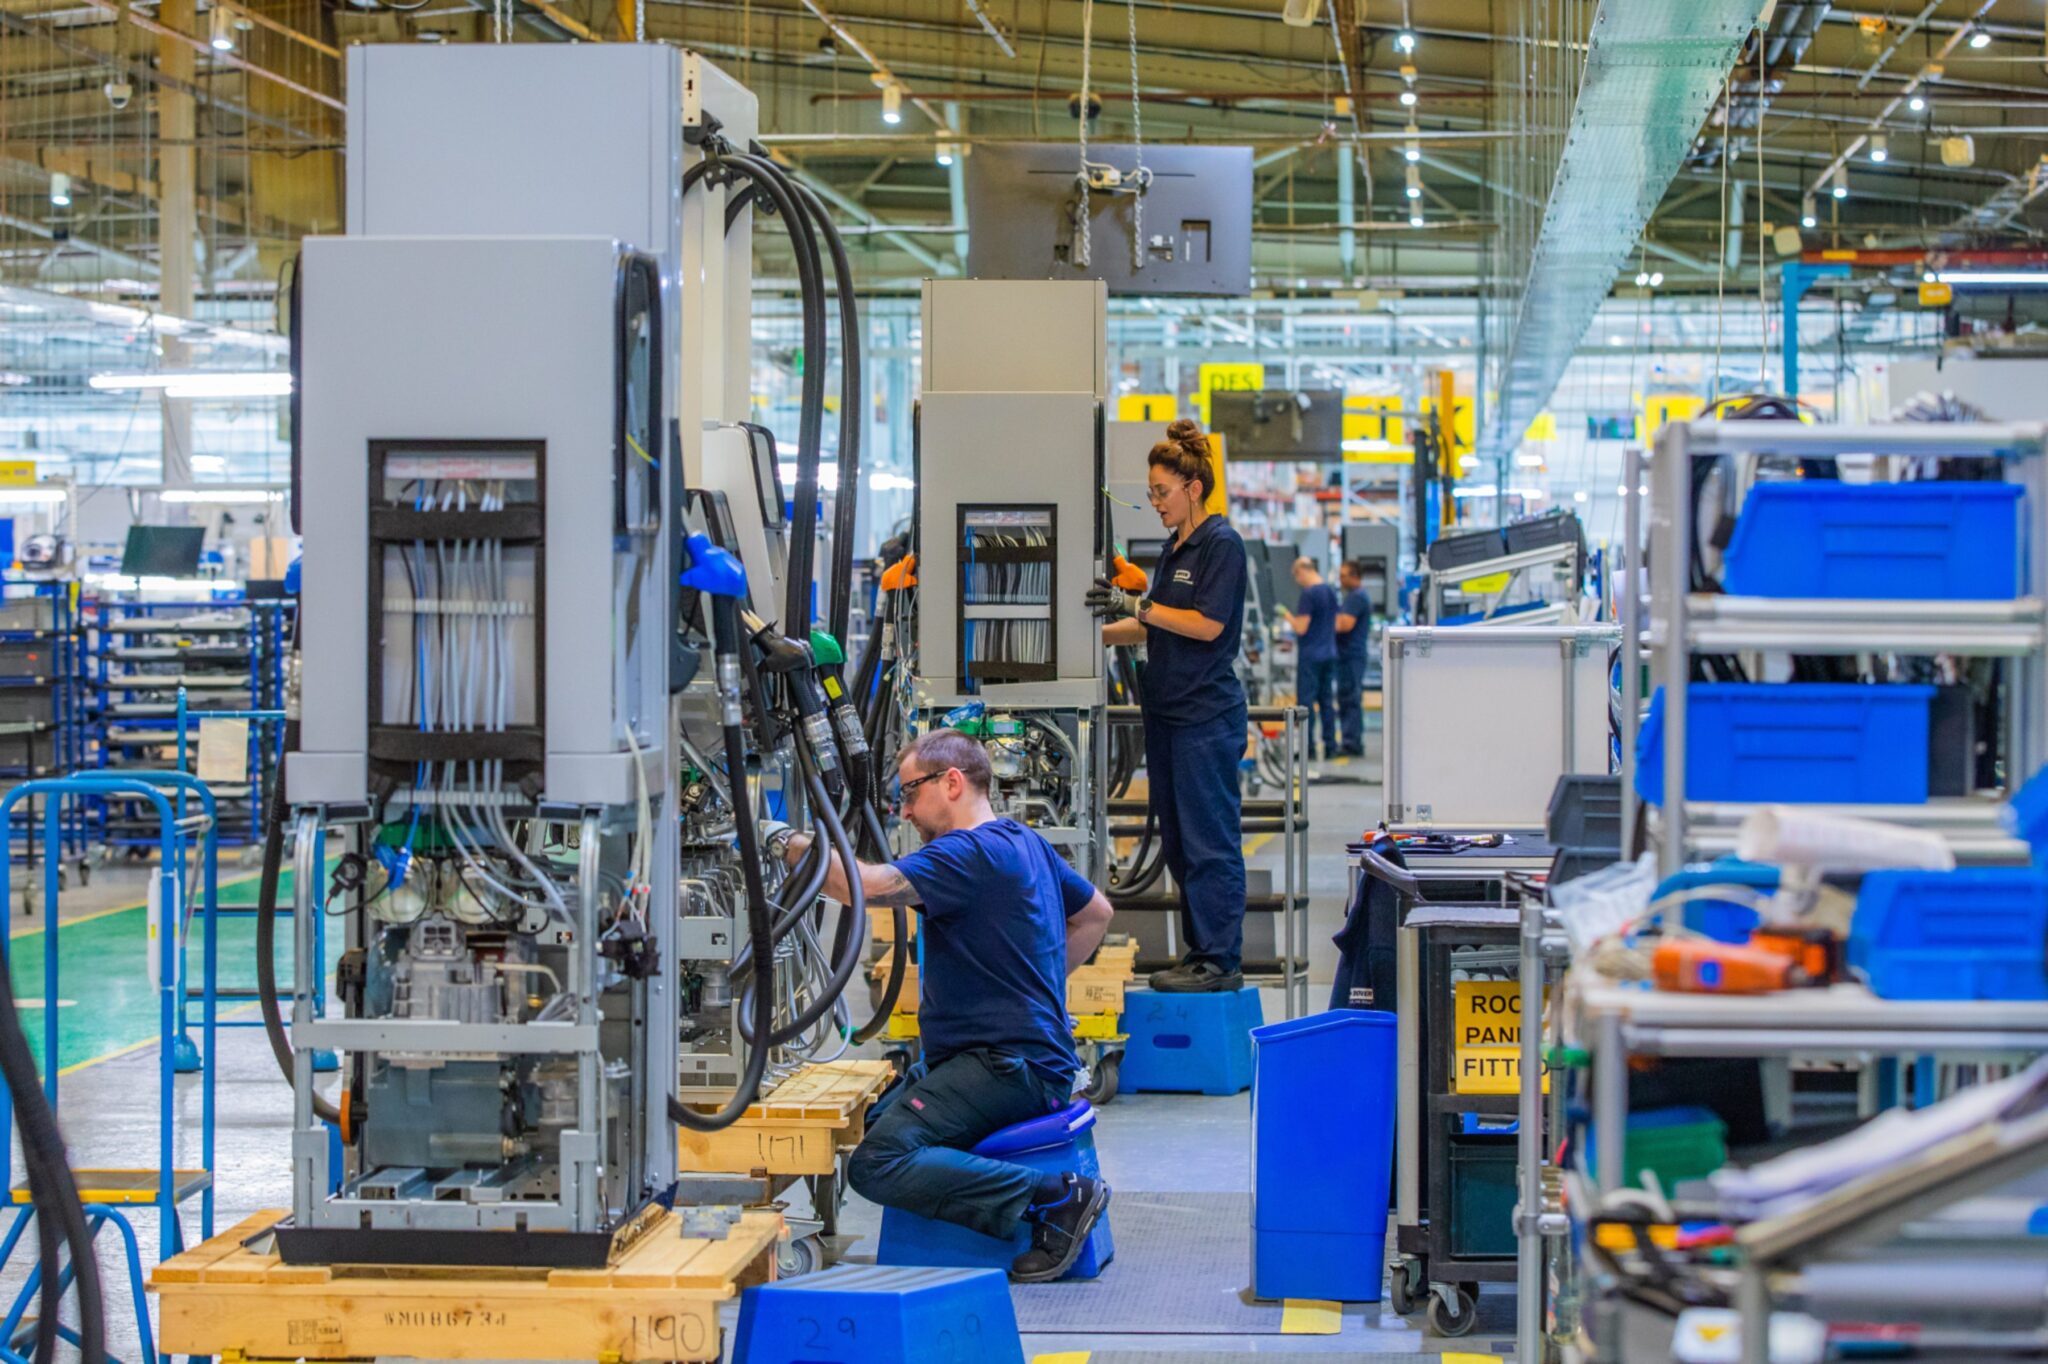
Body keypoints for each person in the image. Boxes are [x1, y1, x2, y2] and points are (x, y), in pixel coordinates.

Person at [765, 730, 1116, 1283]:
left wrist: (782, 841)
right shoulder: (1024, 841)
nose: (906, 811)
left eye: (910, 792)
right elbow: (1096, 913)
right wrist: (1037, 986)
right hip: (1014, 1058)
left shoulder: (966, 852)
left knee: (877, 1163)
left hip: (1007, 1067)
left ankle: (1055, 1198)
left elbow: (866, 887)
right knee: (878, 1122)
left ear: (952, 782)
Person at [1086, 418, 1249, 994]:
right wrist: (1090, 636)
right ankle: (1198, 954)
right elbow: (1154, 625)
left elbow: (1206, 625)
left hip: (1206, 717)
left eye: (1162, 491)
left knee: (1209, 844)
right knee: (1179, 843)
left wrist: (1137, 604)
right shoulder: (1174, 546)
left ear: (1193, 488)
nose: (1155, 502)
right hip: (1169, 716)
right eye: (1151, 492)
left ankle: (1220, 960)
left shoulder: (1221, 546)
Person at [1277, 556, 1339, 760]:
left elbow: (1301, 628)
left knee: (1306, 703)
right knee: (1326, 701)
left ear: (1302, 570)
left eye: (1296, 576)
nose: (1297, 581)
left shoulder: (1309, 594)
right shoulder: (1329, 591)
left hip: (1311, 656)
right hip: (1329, 652)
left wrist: (1286, 615)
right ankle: (1330, 746)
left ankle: (1307, 748)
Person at [1332, 558, 1374, 758]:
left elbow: (1344, 625)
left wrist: (1321, 623)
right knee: (1347, 697)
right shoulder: (1354, 596)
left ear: (1354, 576)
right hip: (1348, 655)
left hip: (1351, 656)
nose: (1340, 580)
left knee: (1350, 698)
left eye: (1343, 576)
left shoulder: (1356, 597)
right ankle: (1351, 740)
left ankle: (1351, 742)